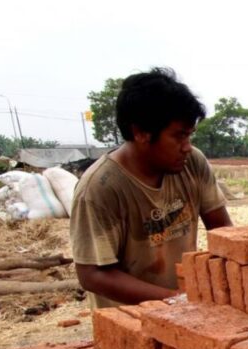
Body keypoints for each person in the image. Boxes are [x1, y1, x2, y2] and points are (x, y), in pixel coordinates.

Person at [70, 68, 232, 308]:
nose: (187, 147)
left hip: (183, 306)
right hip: (129, 318)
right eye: (179, 136)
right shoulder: (100, 189)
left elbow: (222, 231)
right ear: (140, 133)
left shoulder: (192, 163)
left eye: (189, 135)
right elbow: (92, 275)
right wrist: (175, 300)